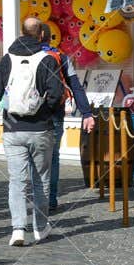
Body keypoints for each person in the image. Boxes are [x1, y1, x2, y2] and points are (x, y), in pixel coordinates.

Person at [0, 16, 91, 247]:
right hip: (42, 127)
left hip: (13, 129)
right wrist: (46, 111)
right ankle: (40, 226)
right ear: (41, 34)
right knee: (41, 179)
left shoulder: (8, 59)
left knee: (16, 180)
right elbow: (57, 93)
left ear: (21, 32)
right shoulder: (50, 58)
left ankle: (17, 229)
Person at [35, 22, 95, 214]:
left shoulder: (20, 56)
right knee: (52, 157)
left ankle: (36, 198)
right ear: (47, 36)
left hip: (27, 116)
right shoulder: (60, 56)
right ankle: (50, 199)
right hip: (54, 113)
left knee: (30, 158)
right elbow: (75, 85)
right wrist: (86, 112)